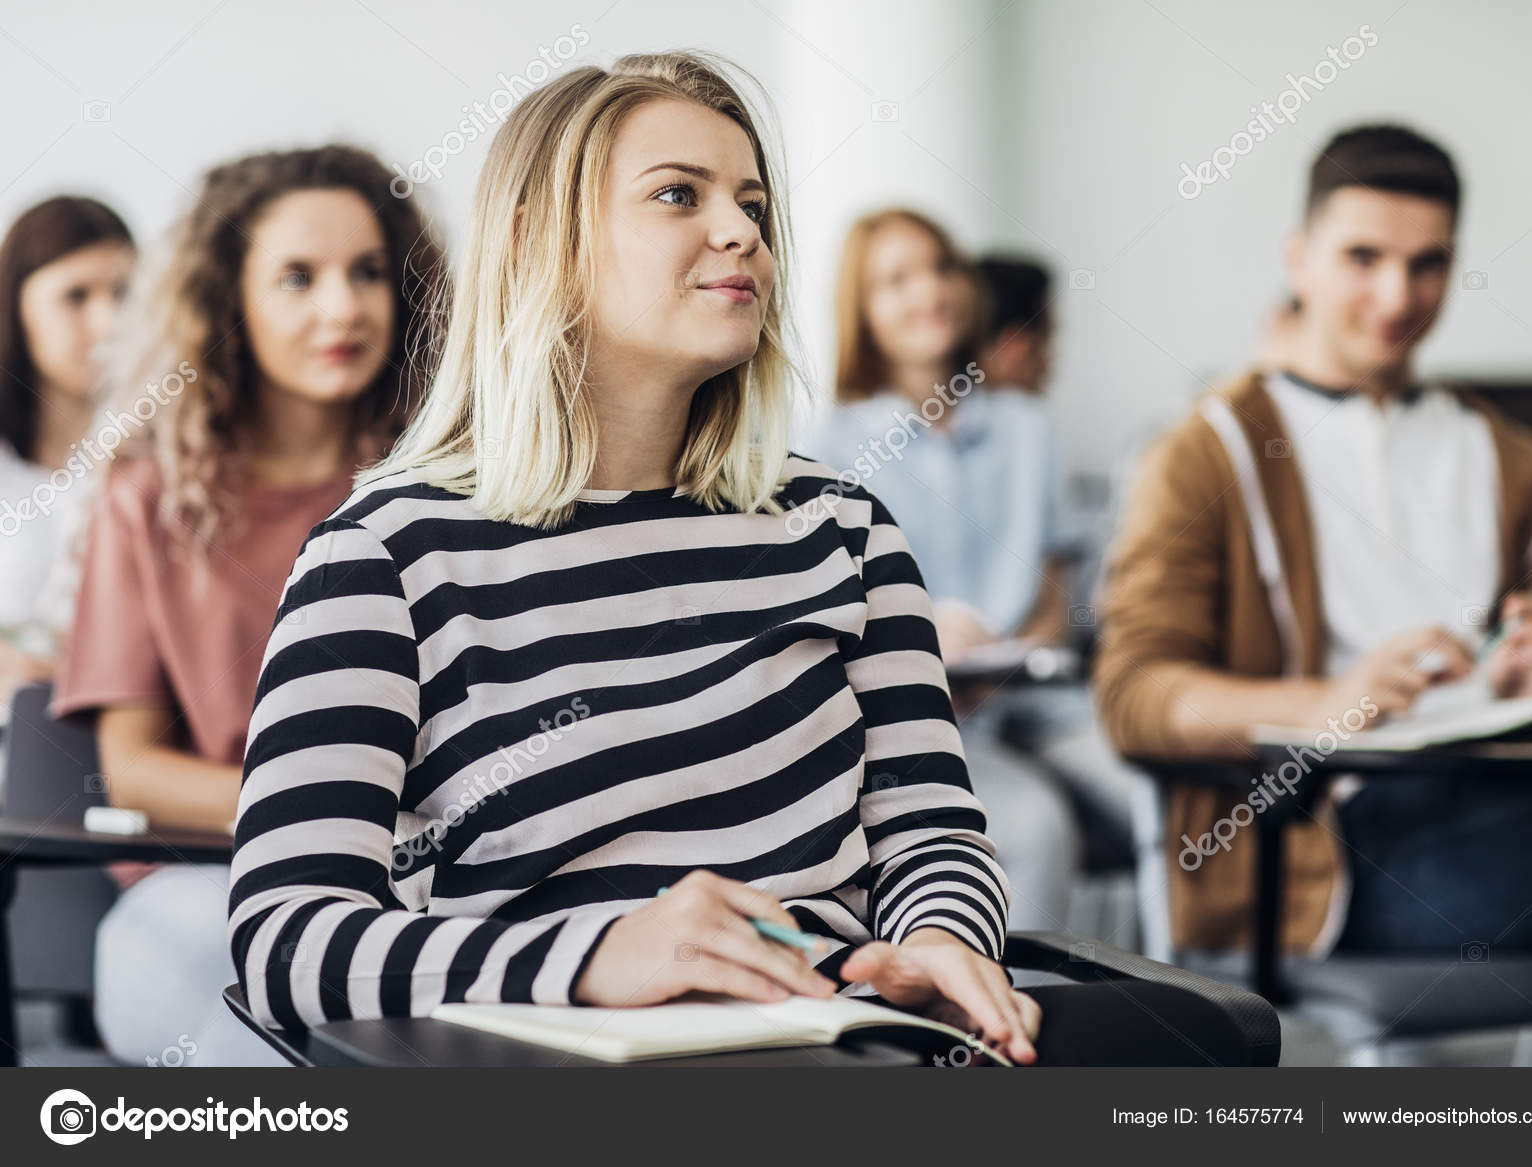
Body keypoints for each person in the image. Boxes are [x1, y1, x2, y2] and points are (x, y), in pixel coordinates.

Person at [223, 52, 1071, 1065]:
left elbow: (932, 833)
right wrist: (597, 956)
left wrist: (939, 940)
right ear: (539, 241)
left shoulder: (844, 530)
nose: (741, 232)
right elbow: (283, 940)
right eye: (678, 195)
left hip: (848, 1050)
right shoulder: (381, 558)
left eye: (752, 204)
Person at [1095, 124, 1532, 956]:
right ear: (1299, 259)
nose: (1398, 298)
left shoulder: (1514, 462)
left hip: (1517, 802)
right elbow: (1133, 694)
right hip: (1328, 854)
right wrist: (1327, 706)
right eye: (1363, 258)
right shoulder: (1205, 454)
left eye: (1428, 264)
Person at [49, 145, 447, 1064]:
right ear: (231, 299)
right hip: (207, 877)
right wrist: (334, 818)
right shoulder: (146, 500)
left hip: (425, 878)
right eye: (298, 277)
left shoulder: (447, 483)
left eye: (368, 272)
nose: (342, 308)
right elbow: (133, 769)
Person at [808, 210, 1080, 931]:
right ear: (861, 309)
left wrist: (1017, 652)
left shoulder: (1027, 427)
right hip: (926, 718)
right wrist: (930, 652)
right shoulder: (825, 446)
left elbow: (1053, 592)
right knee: (1037, 827)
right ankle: (1005, 998)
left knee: (1157, 787)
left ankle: (1191, 986)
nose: (929, 291)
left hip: (1038, 702)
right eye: (896, 280)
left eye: (941, 267)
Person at [0, 197, 135, 726]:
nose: (109, 322)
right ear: (16, 306)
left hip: (113, 742)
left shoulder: (166, 458)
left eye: (123, 293)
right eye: (75, 296)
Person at [974, 256, 1053, 396]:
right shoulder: (1020, 408)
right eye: (1045, 341)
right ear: (1017, 346)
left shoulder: (941, 401)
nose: (1048, 362)